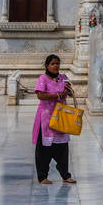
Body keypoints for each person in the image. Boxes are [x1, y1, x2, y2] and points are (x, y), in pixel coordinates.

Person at [33, 54, 76, 184]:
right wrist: (57, 95)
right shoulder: (43, 79)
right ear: (47, 65)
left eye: (57, 63)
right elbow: (40, 95)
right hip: (46, 118)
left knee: (63, 147)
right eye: (53, 63)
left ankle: (65, 175)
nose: (56, 66)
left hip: (61, 116)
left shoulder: (63, 78)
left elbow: (70, 92)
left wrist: (68, 91)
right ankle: (42, 176)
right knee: (44, 148)